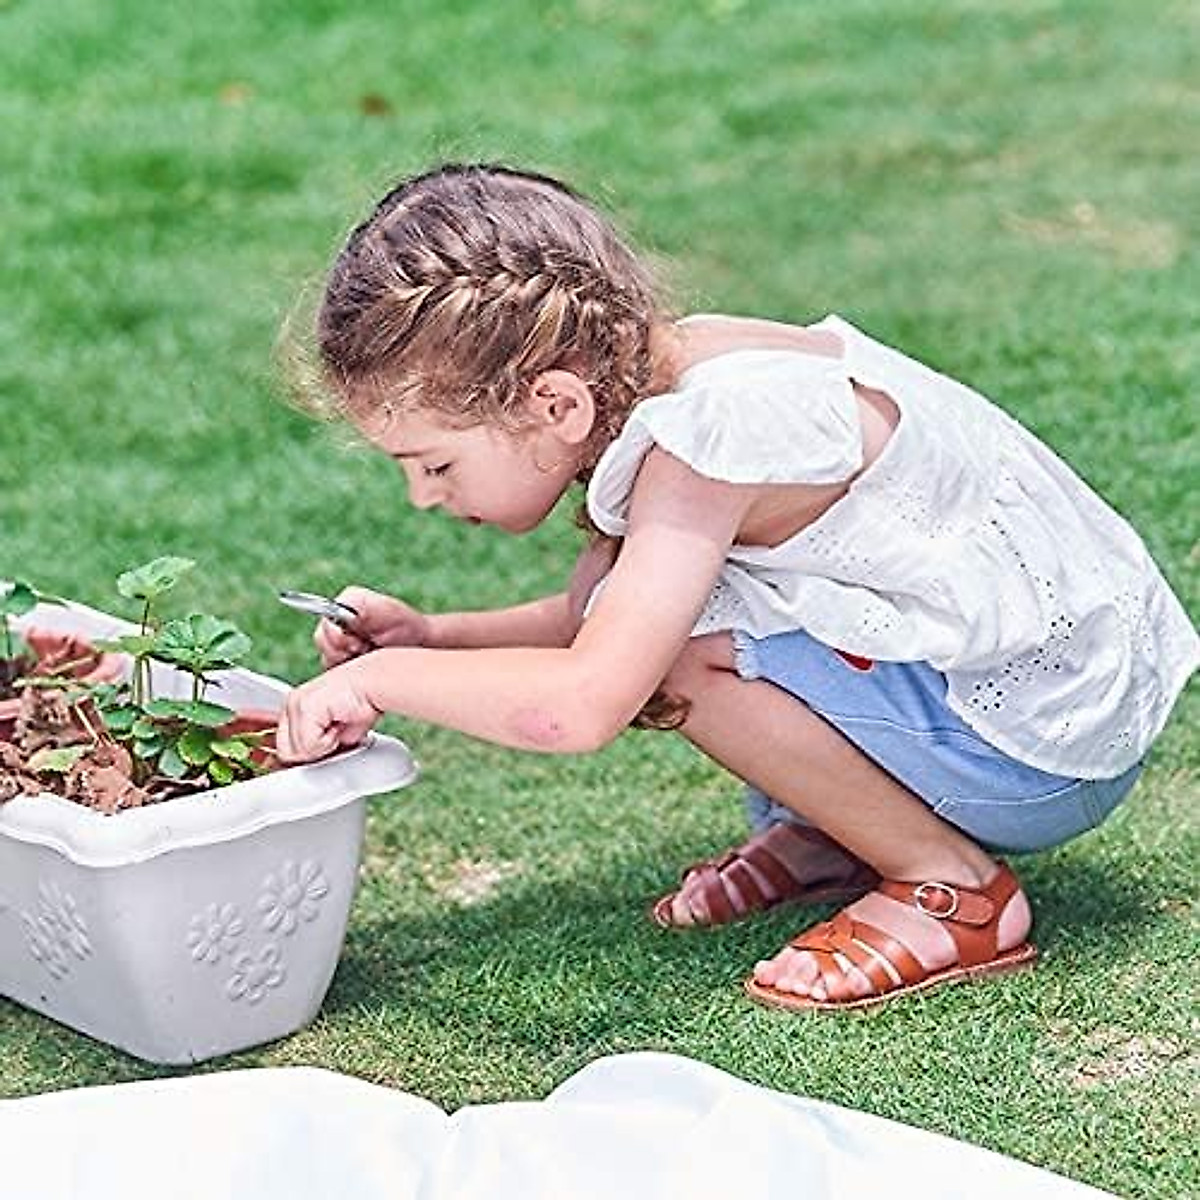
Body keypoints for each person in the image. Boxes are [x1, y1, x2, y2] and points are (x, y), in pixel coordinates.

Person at [277, 162, 1198, 1011]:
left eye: (433, 463)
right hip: (1030, 693)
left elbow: (589, 699)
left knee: (674, 664)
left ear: (556, 404)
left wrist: (376, 684)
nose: (422, 497)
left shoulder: (707, 438)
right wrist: (434, 638)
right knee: (655, 631)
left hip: (1040, 747)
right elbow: (601, 618)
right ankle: (840, 832)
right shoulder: (669, 372)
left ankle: (950, 887)